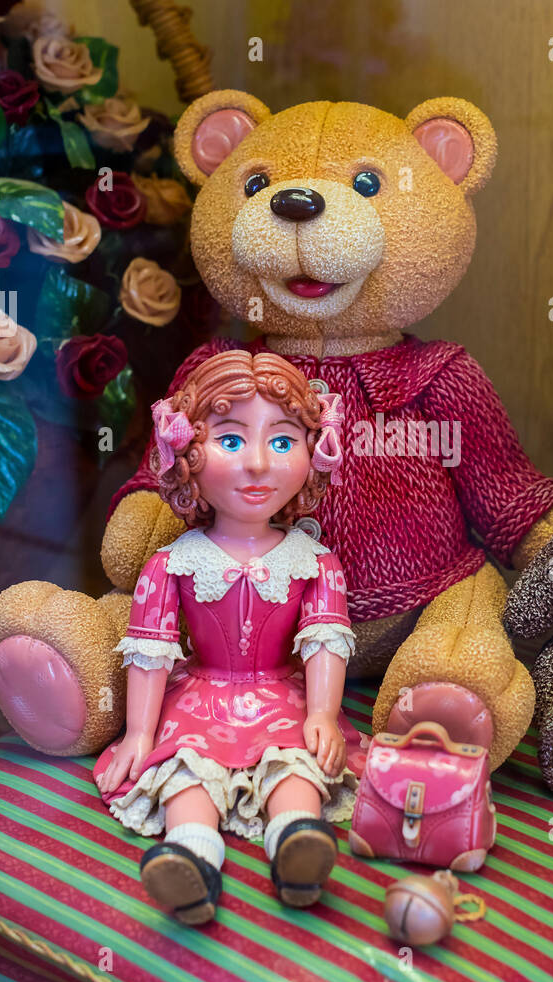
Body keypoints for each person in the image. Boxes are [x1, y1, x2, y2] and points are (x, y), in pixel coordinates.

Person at [93, 348, 361, 924]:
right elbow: (151, 648)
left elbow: (324, 642)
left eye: (283, 442)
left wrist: (321, 715)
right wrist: (140, 731)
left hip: (281, 700)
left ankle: (297, 845)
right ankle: (191, 858)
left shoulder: (317, 564)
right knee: (186, 768)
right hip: (199, 700)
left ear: (312, 455)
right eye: (232, 441)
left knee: (294, 764)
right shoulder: (171, 565)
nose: (260, 465)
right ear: (188, 453)